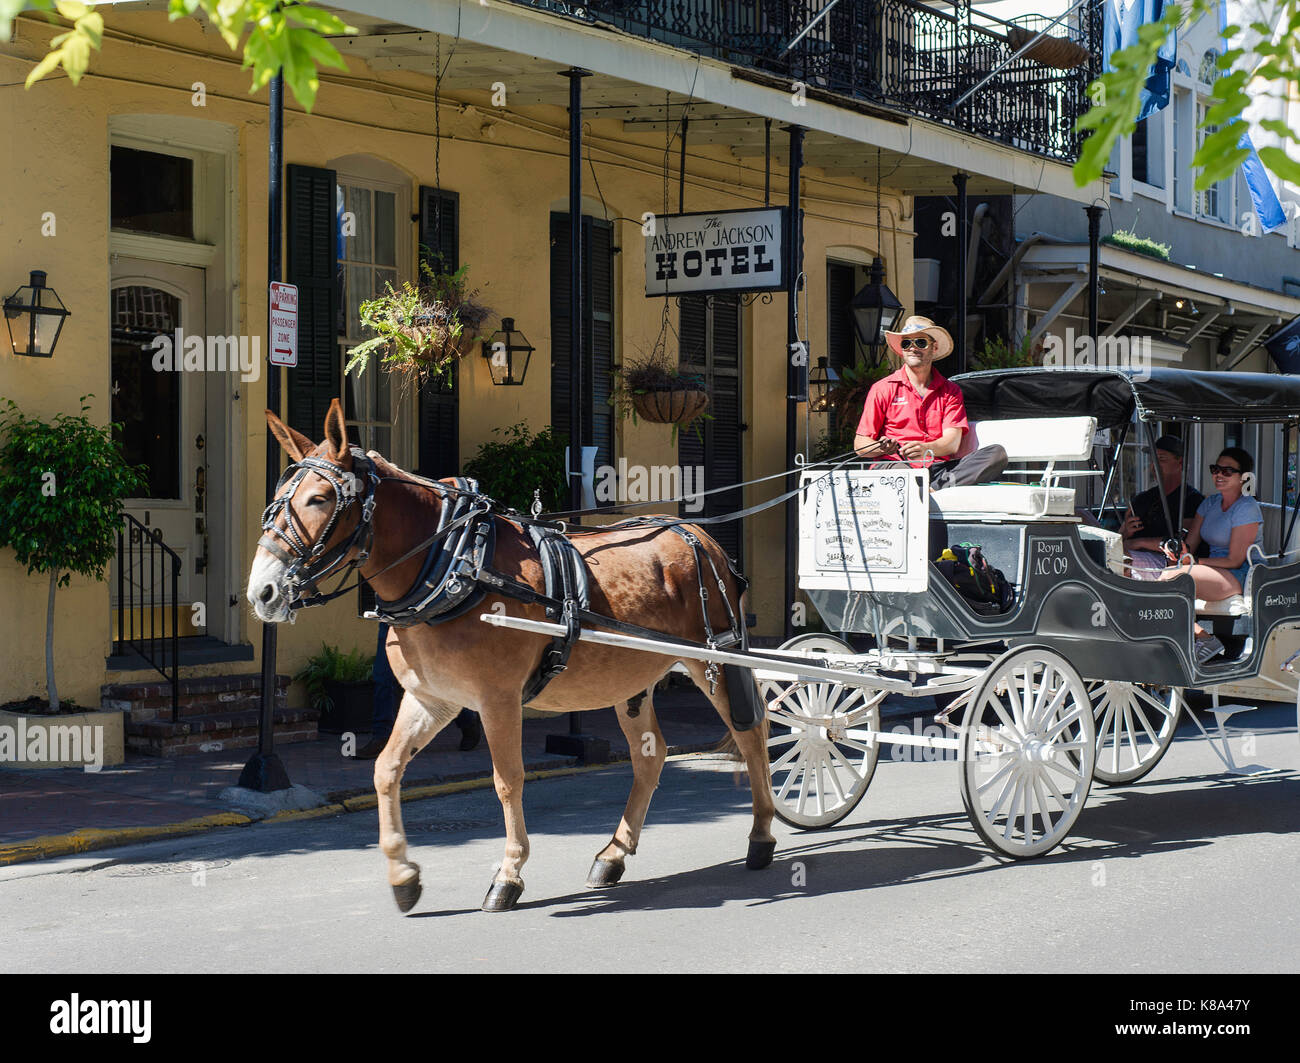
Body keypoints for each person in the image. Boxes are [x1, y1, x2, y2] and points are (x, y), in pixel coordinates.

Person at [853, 316, 1008, 489]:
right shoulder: (882, 388)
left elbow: (952, 443)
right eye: (906, 343)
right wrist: (883, 448)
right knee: (899, 474)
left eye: (920, 342)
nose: (912, 348)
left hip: (937, 469)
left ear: (934, 347)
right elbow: (860, 445)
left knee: (996, 454)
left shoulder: (951, 391)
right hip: (895, 465)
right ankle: (930, 488)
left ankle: (929, 488)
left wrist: (925, 448)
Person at [1157, 447, 1263, 664]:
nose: (1219, 475)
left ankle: (1204, 640)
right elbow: (1191, 545)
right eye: (1215, 469)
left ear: (1244, 477)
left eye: (1227, 471)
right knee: (1161, 578)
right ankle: (1198, 638)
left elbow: (1235, 559)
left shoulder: (1247, 507)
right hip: (1213, 570)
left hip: (1242, 574)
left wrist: (1195, 562)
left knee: (1169, 578)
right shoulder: (1210, 503)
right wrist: (1178, 550)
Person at [355, 622, 481, 759]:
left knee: (435, 678)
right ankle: (381, 737)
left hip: (422, 619)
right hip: (391, 620)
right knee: (383, 676)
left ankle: (468, 719)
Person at [1121, 434, 1205, 578]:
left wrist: (1138, 543)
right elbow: (1119, 538)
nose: (1155, 464)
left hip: (1168, 563)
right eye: (1153, 459)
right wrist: (1126, 532)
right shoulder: (1142, 498)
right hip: (1136, 557)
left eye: (1162, 459)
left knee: (1122, 560)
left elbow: (1183, 545)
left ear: (1180, 463)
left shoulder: (1192, 499)